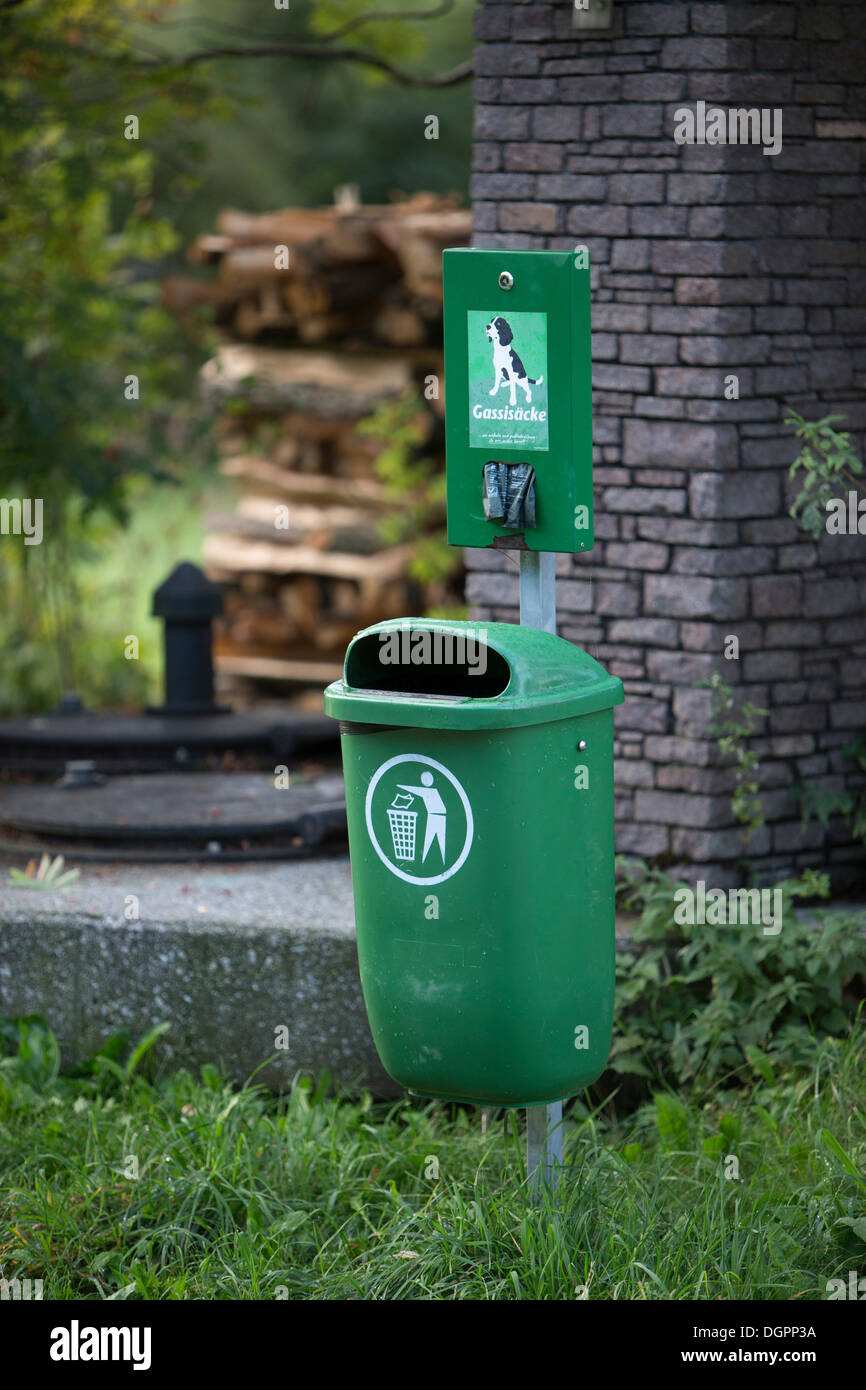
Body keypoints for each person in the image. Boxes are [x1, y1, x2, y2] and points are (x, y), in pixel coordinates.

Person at [396, 770, 446, 864]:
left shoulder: (431, 791)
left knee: (435, 843)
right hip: (435, 816)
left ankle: (434, 862)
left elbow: (417, 791)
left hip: (437, 817)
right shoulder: (432, 791)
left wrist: (402, 786)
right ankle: (432, 862)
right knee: (433, 843)